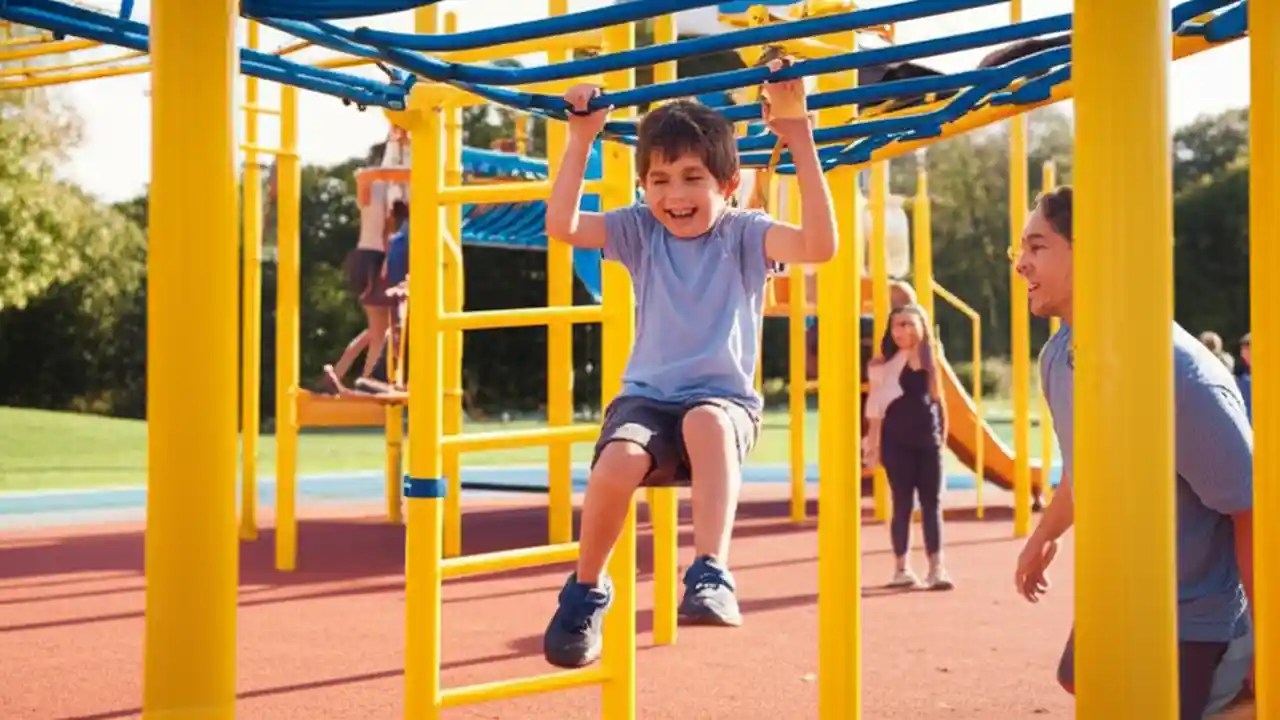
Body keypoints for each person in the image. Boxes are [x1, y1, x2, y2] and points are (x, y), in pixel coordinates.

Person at [539, 63, 838, 669]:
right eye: (660, 179)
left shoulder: (745, 234)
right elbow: (563, 225)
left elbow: (818, 247)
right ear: (644, 188)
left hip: (722, 403)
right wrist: (580, 140)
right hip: (647, 398)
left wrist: (798, 133)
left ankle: (710, 572)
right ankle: (585, 589)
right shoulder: (639, 230)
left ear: (727, 183)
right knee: (618, 459)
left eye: (692, 178)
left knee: (704, 421)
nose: (674, 195)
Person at [1012, 186, 1255, 718]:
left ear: (1091, 250)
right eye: (1020, 251)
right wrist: (1045, 533)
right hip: (1117, 596)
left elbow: (1252, 509)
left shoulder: (1176, 375)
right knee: (1078, 681)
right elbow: (1086, 467)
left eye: (1037, 247)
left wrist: (1269, 651)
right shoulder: (1060, 357)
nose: (1021, 265)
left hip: (1187, 617)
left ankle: (1238, 695)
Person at [864, 303, 953, 591]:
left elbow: (939, 400)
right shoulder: (883, 364)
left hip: (929, 441)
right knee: (901, 503)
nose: (902, 329)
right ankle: (901, 568)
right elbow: (875, 406)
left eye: (907, 323)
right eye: (897, 324)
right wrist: (872, 444)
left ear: (921, 326)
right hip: (896, 442)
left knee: (932, 504)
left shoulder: (930, 358)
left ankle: (937, 568)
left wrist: (943, 439)